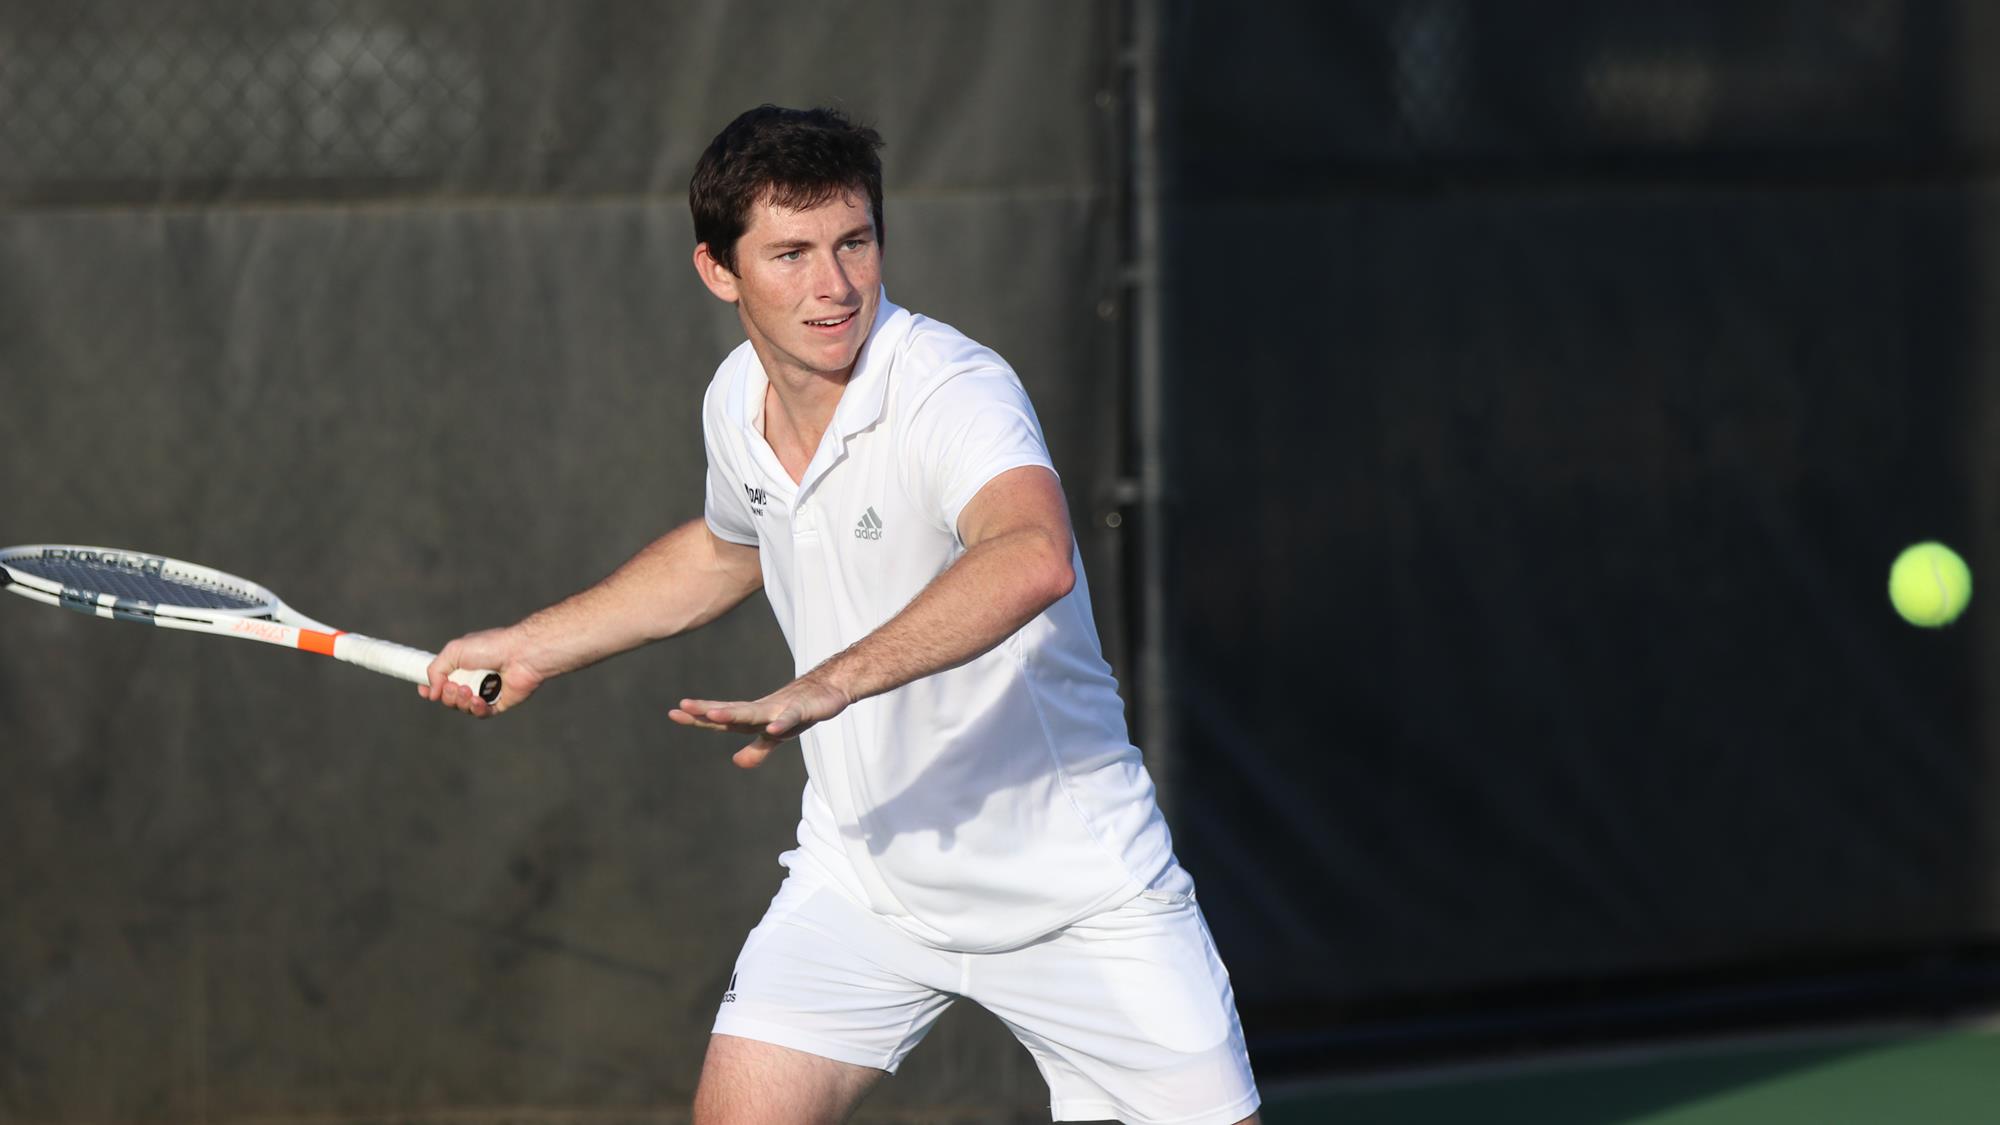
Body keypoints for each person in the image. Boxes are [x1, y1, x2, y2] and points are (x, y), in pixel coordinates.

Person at [422, 104, 1260, 1125]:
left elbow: (1033, 555)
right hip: (864, 875)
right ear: (717, 271)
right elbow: (729, 550)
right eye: (790, 253)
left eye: (852, 242)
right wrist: (534, 645)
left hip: (1075, 894)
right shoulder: (735, 400)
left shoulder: (952, 388)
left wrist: (830, 681)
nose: (832, 285)